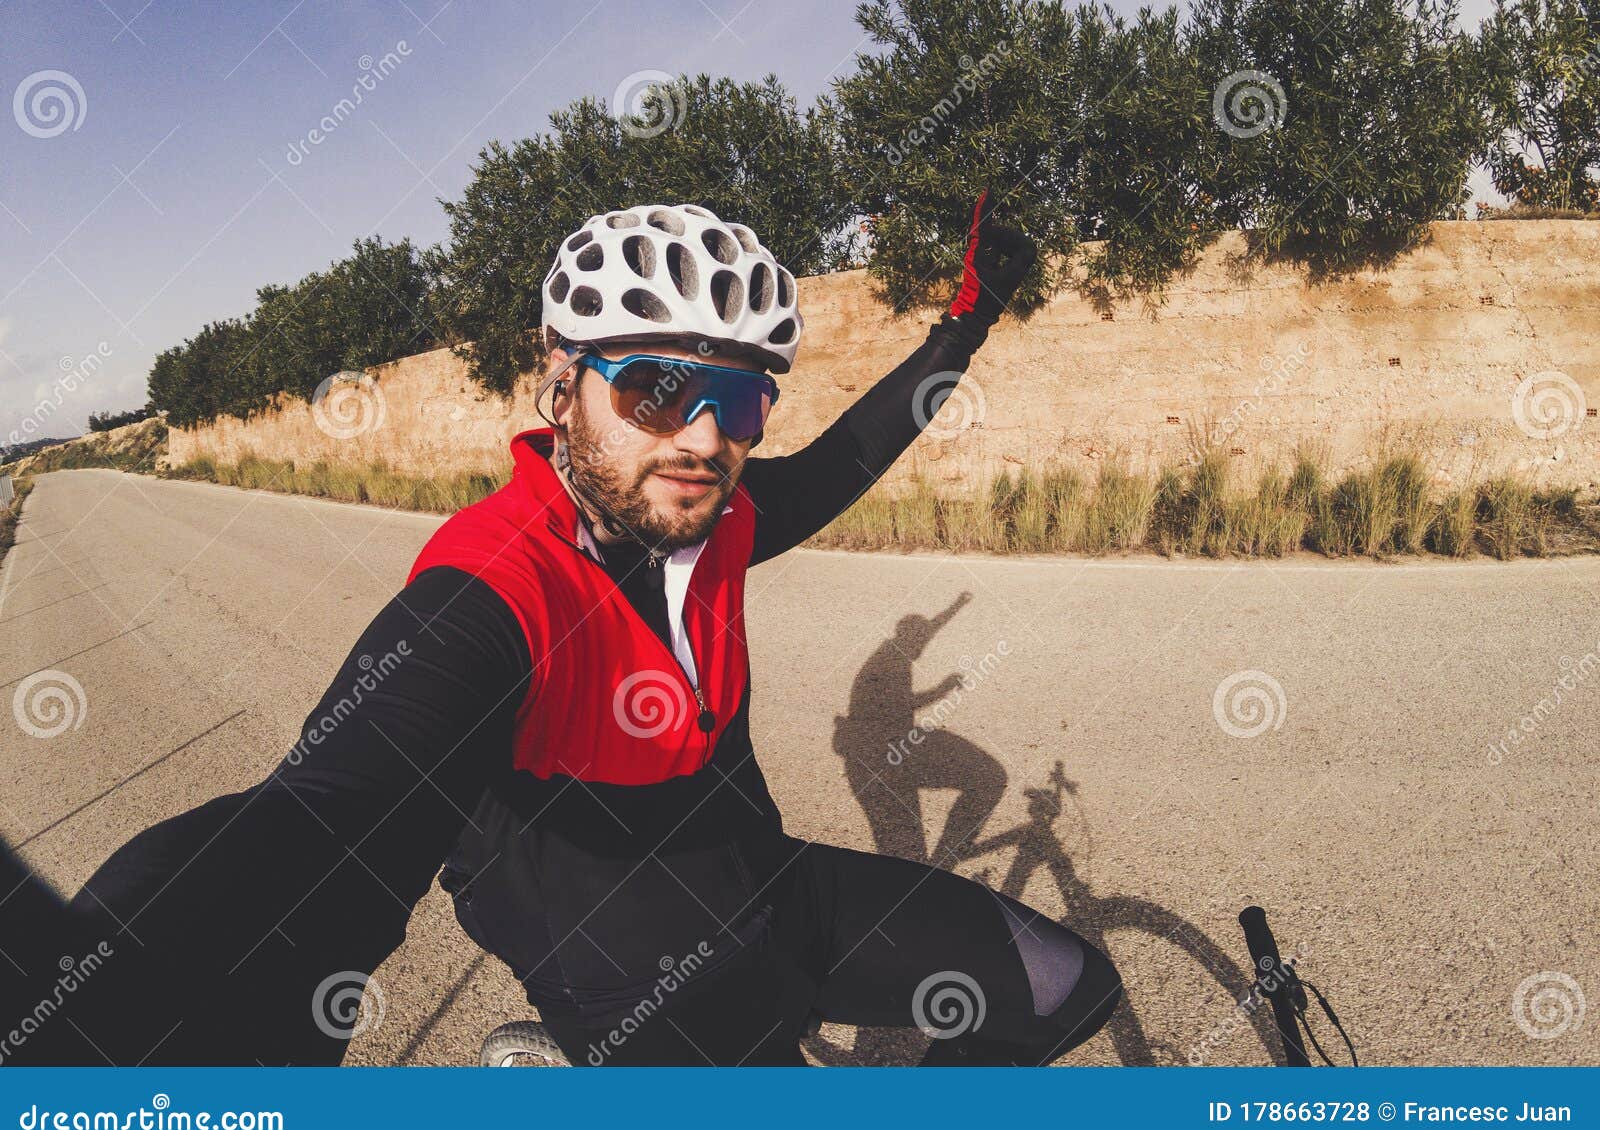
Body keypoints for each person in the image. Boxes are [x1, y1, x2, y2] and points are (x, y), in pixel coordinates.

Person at [4, 194, 1121, 1066]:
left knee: (1064, 983)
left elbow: (840, 462)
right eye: (651, 387)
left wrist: (961, 328)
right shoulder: (494, 586)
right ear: (562, 380)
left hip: (763, 886)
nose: (698, 435)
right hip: (632, 966)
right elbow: (328, 813)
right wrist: (126, 1014)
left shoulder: (712, 516)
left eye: (734, 401)